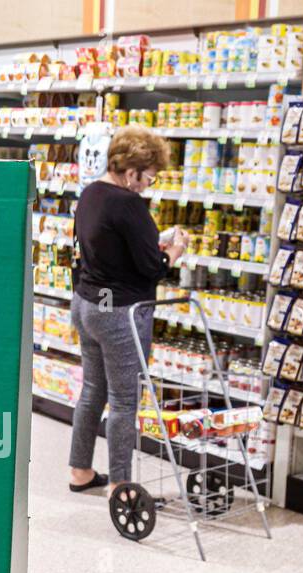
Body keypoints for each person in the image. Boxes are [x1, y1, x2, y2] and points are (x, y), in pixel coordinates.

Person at [67, 126, 188, 495]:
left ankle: (80, 471)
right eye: (148, 176)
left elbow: (101, 247)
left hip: (88, 303)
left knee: (92, 390)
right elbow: (152, 268)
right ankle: (121, 482)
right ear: (131, 171)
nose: (148, 185)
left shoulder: (90, 193)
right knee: (123, 400)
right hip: (118, 311)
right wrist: (173, 252)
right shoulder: (128, 203)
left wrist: (149, 244)